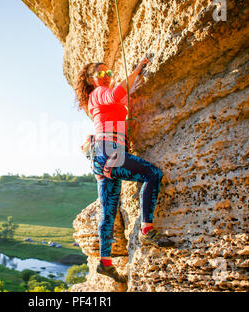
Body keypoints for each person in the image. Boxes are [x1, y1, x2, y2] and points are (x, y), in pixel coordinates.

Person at [74, 57, 175, 283]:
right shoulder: (99, 93)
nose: (107, 76)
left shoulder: (95, 98)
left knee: (108, 210)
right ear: (92, 80)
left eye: (109, 73)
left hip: (103, 156)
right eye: (101, 74)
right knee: (153, 174)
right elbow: (115, 94)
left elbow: (116, 105)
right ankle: (147, 231)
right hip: (109, 152)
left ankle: (105, 262)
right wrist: (138, 69)